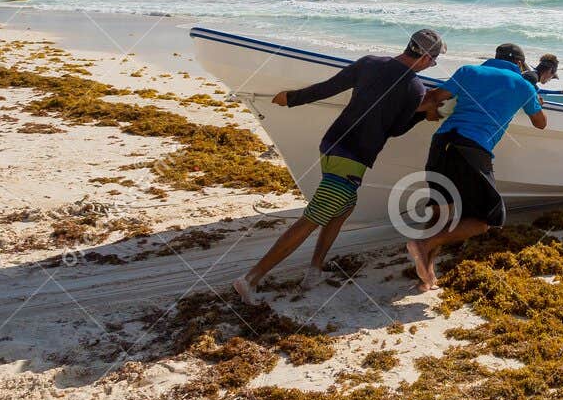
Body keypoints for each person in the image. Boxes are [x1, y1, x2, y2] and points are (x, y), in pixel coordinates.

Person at [232, 30, 450, 304]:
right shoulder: (415, 89)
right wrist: (424, 115)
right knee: (312, 218)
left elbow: (330, 87)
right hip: (353, 158)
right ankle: (250, 279)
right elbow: (395, 129)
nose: (432, 65)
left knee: (344, 208)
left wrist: (292, 98)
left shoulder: (371, 62)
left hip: (332, 145)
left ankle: (314, 270)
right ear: (426, 57)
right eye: (434, 60)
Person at [406, 43, 547, 289]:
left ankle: (425, 276)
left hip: (442, 142)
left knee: (441, 210)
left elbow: (433, 98)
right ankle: (422, 245)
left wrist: (418, 114)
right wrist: (535, 100)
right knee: (486, 219)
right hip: (473, 148)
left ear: (494, 58)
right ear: (520, 65)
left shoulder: (469, 71)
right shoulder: (524, 86)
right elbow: (540, 123)